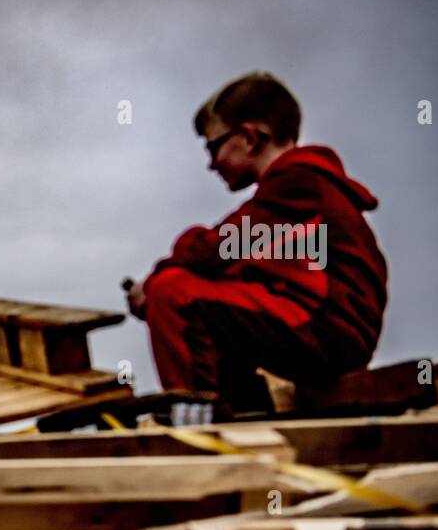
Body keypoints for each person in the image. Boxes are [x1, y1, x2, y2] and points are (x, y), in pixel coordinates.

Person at [126, 72, 387, 413]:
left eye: (213, 146)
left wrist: (153, 281)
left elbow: (214, 251)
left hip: (327, 334)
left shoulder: (299, 182)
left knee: (172, 291)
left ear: (249, 137)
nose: (210, 163)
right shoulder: (301, 194)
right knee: (215, 292)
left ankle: (198, 419)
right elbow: (234, 265)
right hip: (331, 333)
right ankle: (244, 412)